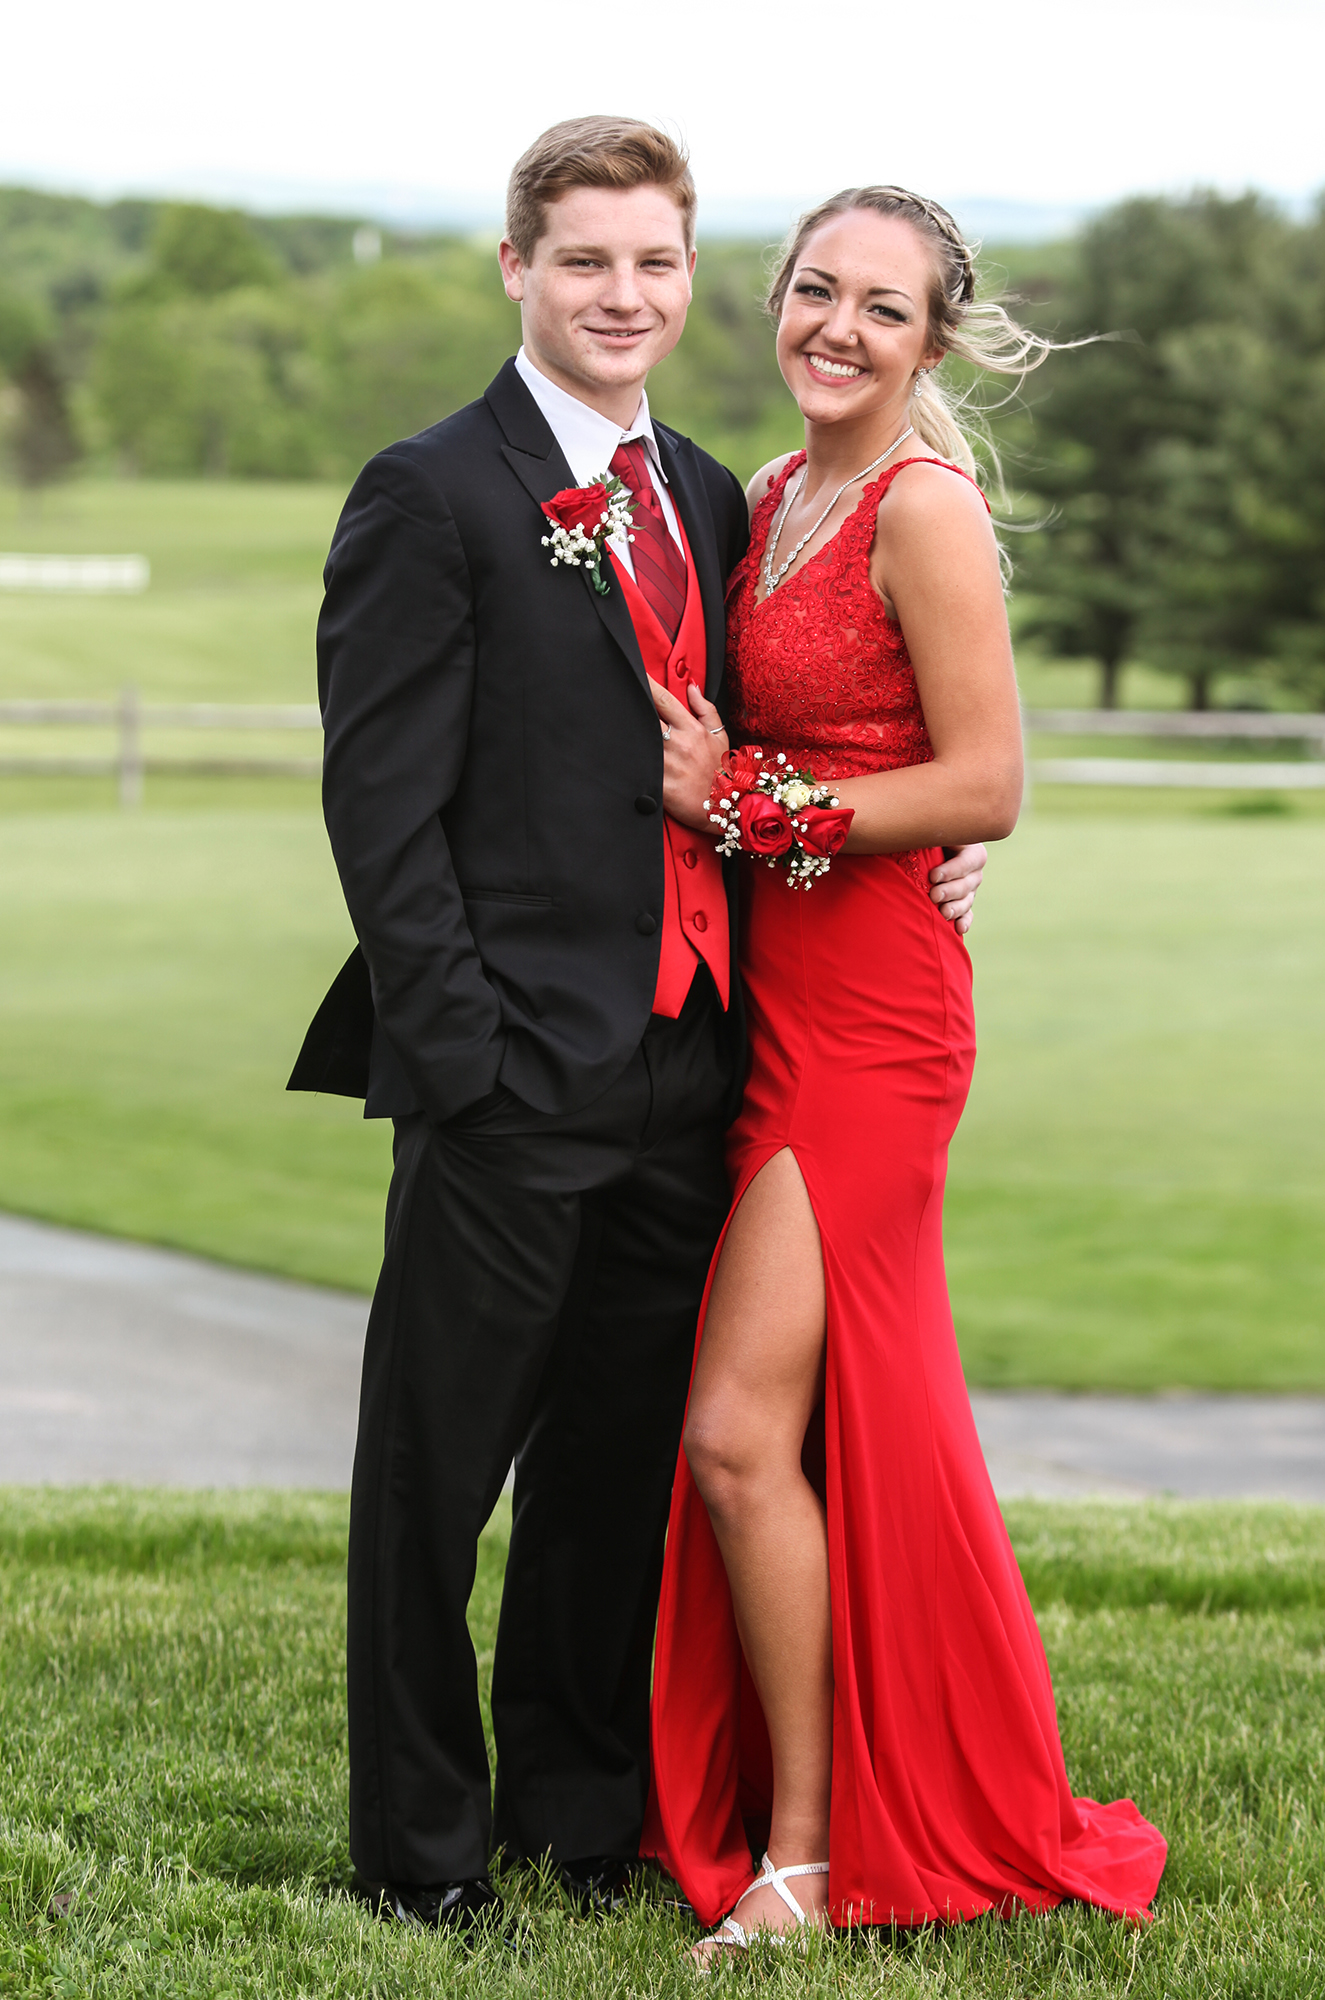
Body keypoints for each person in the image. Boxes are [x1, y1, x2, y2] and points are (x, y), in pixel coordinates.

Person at [288, 126, 987, 1936]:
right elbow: (382, 815)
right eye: (585, 260)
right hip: (511, 1074)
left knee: (615, 1473)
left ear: (689, 279)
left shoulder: (709, 487)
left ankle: (580, 1810)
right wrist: (464, 1054)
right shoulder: (428, 492)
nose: (622, 295)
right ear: (516, 267)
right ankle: (422, 1854)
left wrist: (916, 861)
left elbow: (838, 746)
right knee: (434, 1482)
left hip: (707, 1069)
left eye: (654, 263)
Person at [642, 187, 1168, 1955]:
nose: (838, 329)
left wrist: (758, 805)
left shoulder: (919, 510)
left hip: (870, 1028)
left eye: (882, 307)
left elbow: (981, 785)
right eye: (814, 291)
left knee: (732, 1435)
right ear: (775, 301)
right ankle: (840, 1793)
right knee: (827, 1428)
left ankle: (804, 1854)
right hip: (767, 996)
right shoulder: (770, 496)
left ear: (932, 338)